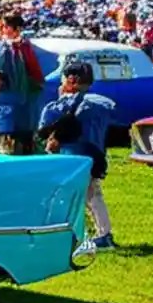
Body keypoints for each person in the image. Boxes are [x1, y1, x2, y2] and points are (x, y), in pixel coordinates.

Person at [37, 61, 117, 250]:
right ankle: (103, 234)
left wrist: (61, 99)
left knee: (67, 196)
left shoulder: (58, 106)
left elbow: (43, 128)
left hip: (69, 157)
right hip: (94, 156)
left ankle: (72, 233)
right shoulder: (101, 104)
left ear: (71, 80)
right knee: (93, 195)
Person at [0, 13, 45, 155]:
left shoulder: (2, 51)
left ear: (10, 29)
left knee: (5, 152)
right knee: (27, 153)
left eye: (3, 26)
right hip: (26, 112)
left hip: (6, 112)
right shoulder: (26, 48)